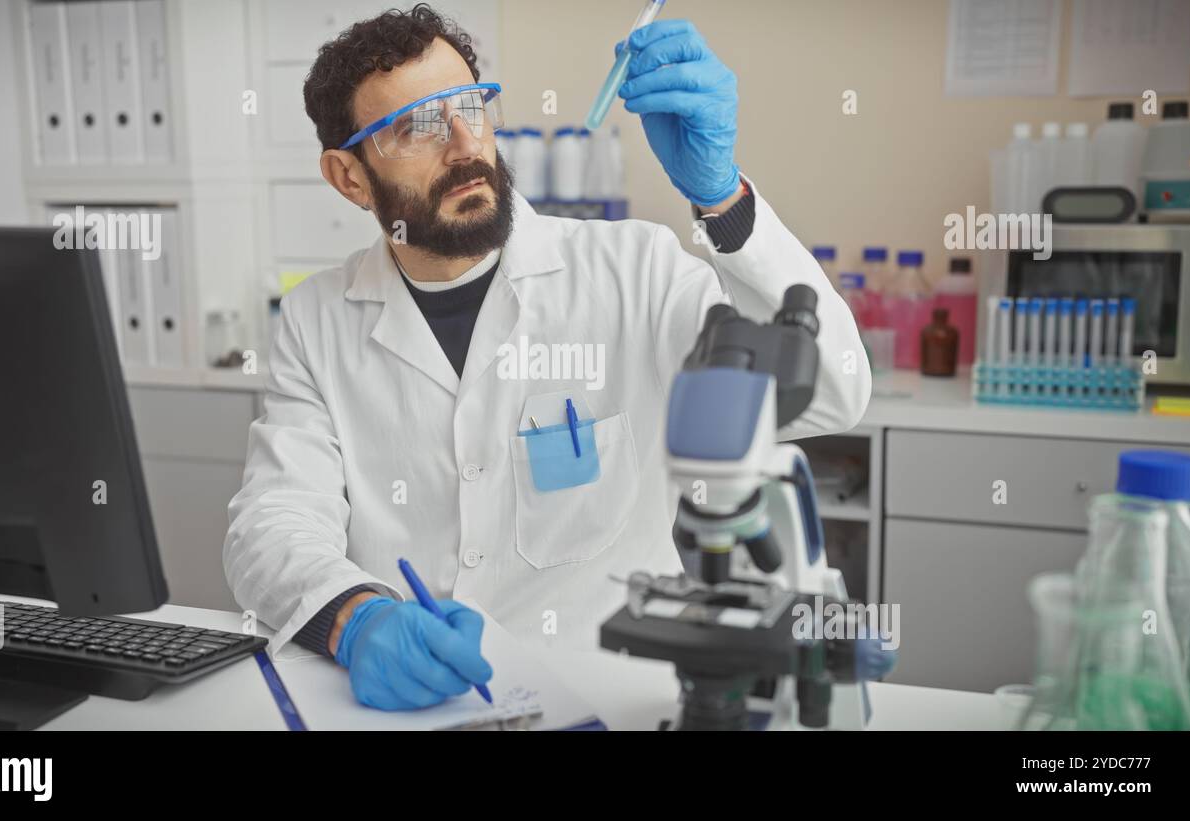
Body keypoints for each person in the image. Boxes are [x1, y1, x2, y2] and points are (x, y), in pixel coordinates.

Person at [225, 4, 870, 711]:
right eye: (419, 126)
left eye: (472, 106)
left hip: (614, 704)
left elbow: (835, 390)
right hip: (417, 710)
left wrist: (722, 201)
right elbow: (272, 522)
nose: (466, 145)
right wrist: (356, 619)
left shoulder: (635, 272)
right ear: (348, 176)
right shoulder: (317, 320)